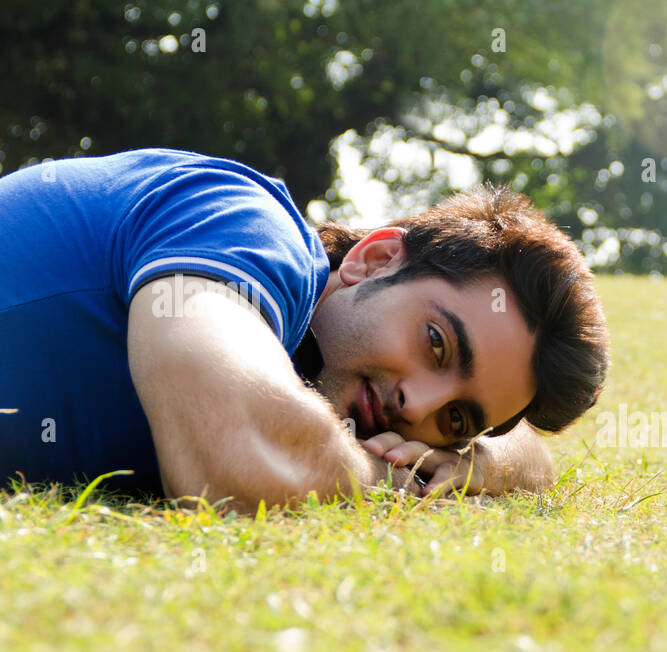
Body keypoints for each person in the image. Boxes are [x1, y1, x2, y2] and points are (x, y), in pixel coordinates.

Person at [0, 148, 609, 512]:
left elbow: (530, 451)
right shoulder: (248, 229)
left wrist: (477, 464)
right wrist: (391, 478)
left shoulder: (308, 356)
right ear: (376, 260)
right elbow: (233, 462)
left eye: (456, 418)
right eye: (436, 344)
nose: (416, 405)